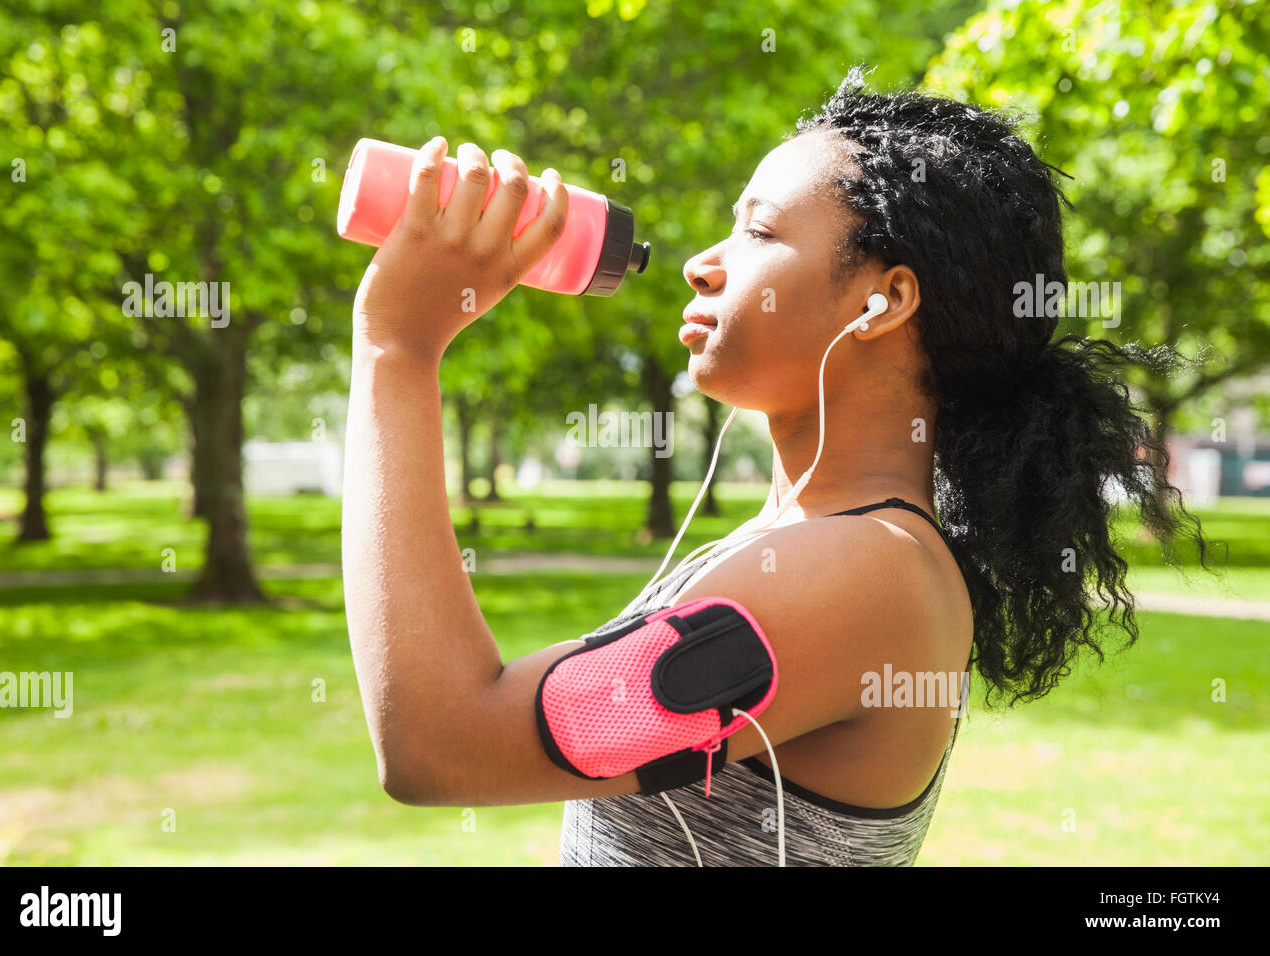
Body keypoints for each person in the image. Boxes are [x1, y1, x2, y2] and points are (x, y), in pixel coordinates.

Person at [342, 65, 1216, 866]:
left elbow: (441, 742)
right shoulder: (814, 547)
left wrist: (399, 348)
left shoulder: (863, 574)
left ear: (884, 300)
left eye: (758, 229)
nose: (700, 265)